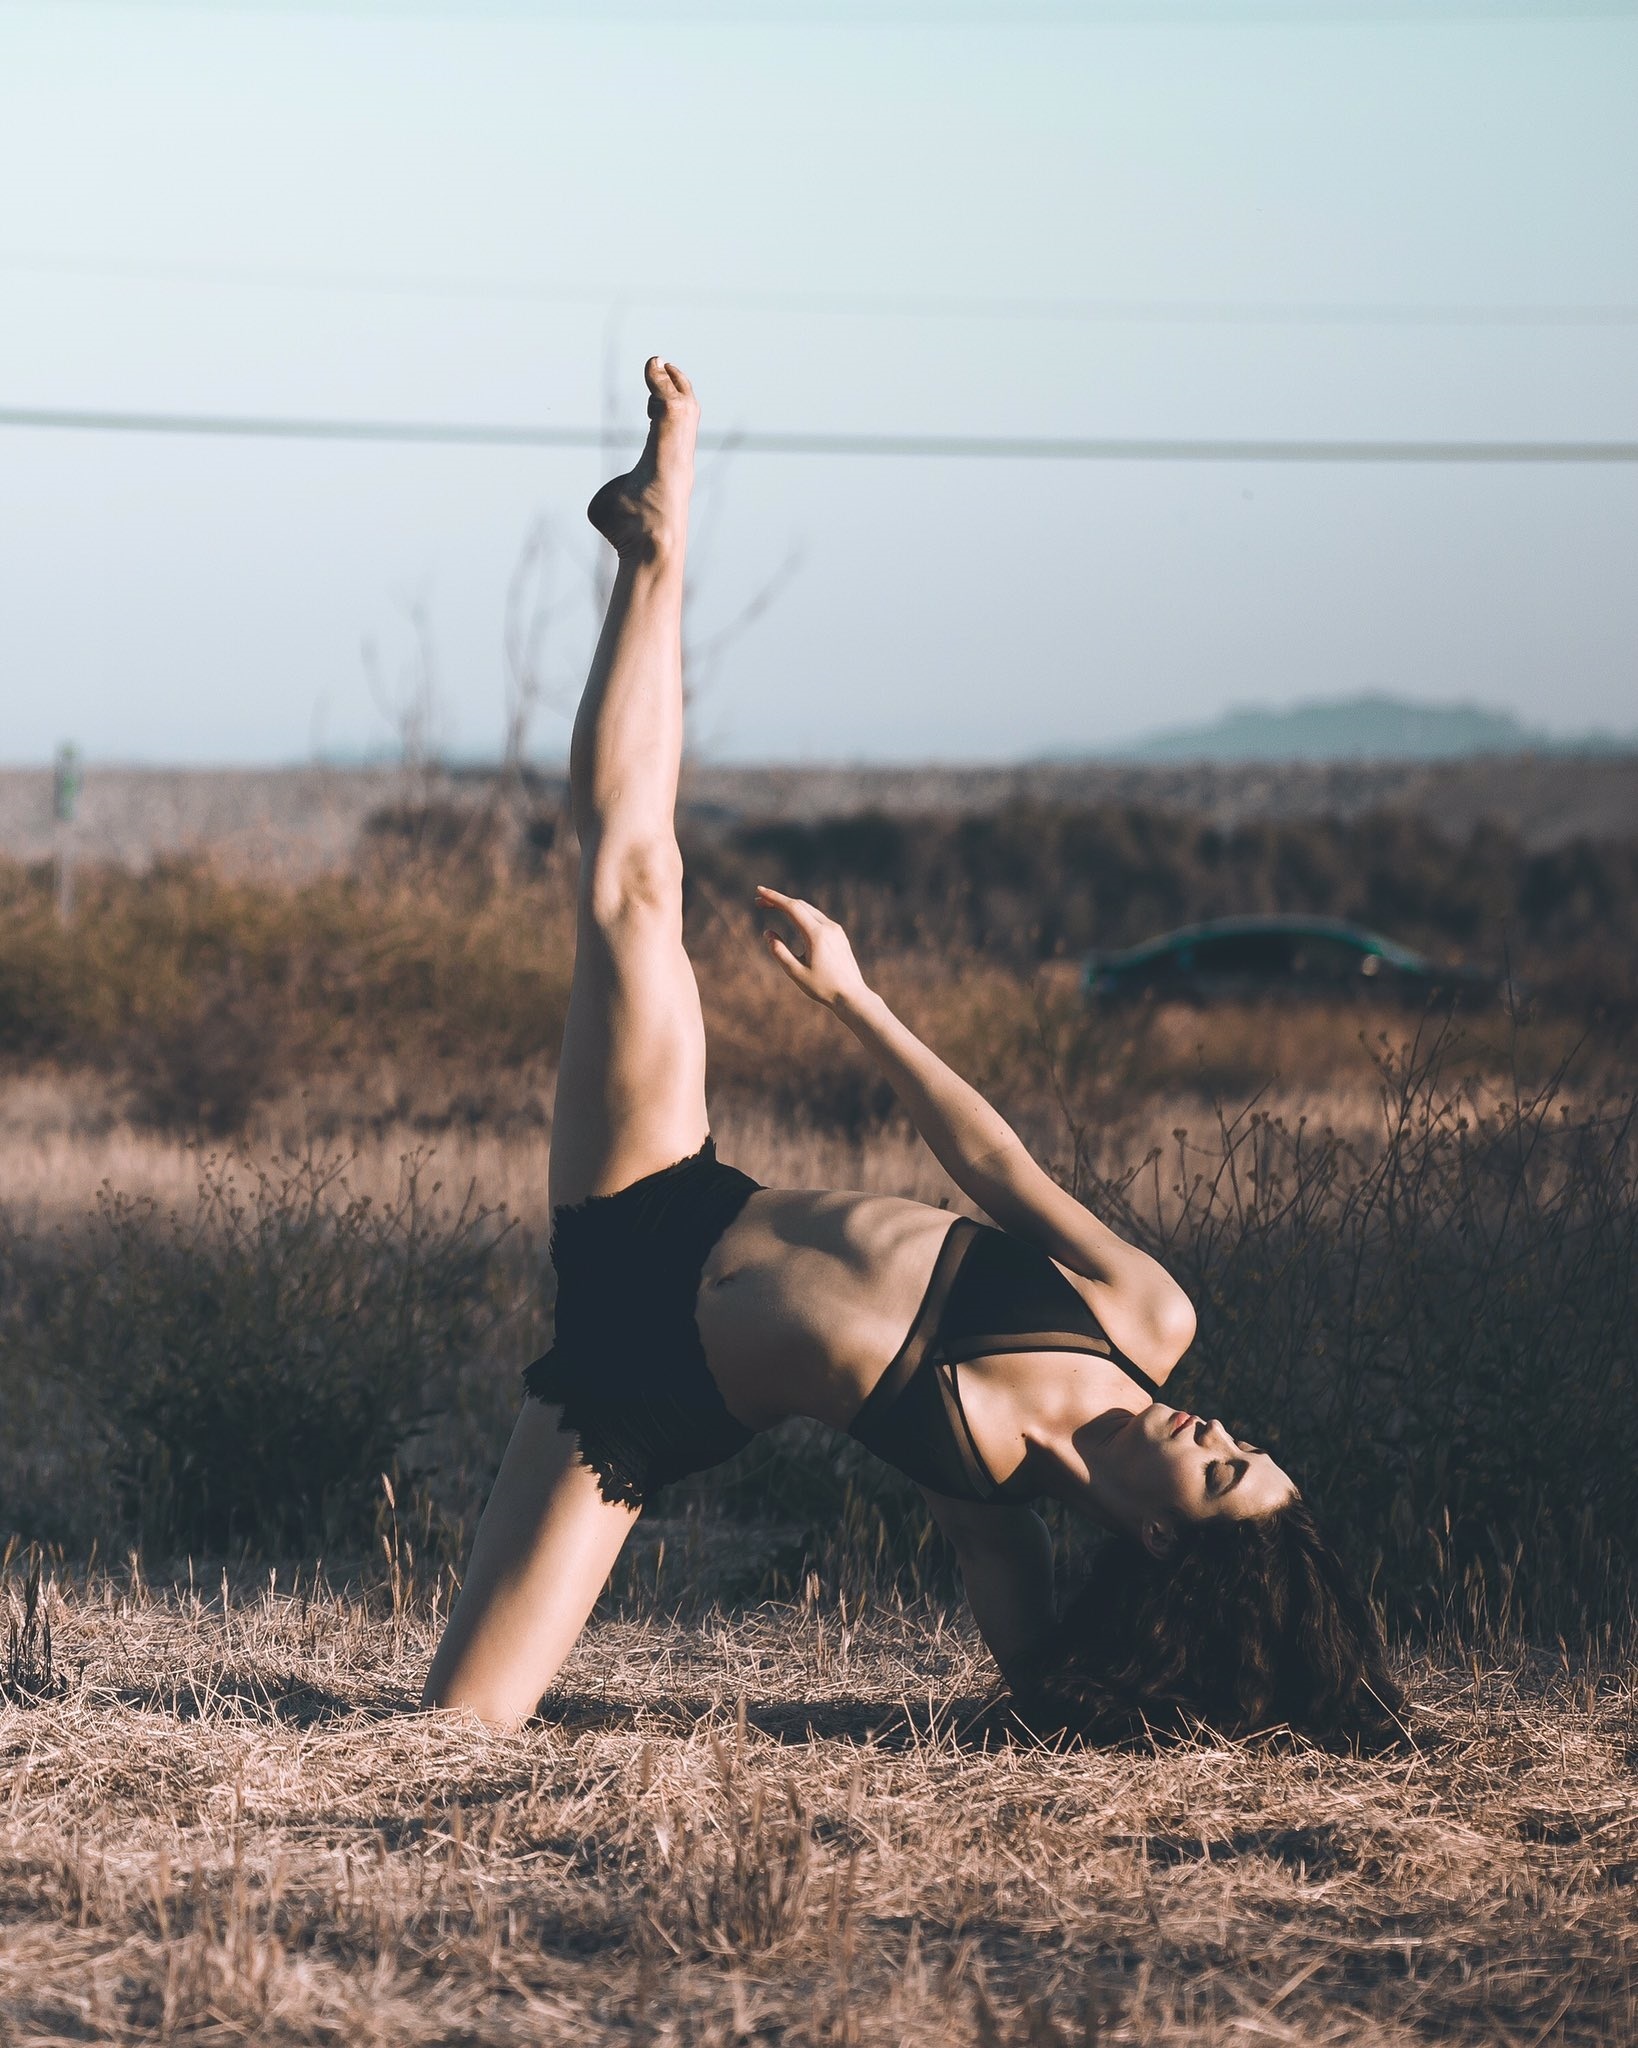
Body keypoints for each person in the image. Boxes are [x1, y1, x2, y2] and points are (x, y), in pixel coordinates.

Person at [422, 359, 1399, 1745]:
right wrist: (854, 1000)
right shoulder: (1144, 1320)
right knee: (630, 888)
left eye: (1226, 1475)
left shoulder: (995, 1500)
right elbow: (991, 1161)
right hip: (668, 1195)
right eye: (1246, 1449)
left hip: (630, 1400)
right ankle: (657, 538)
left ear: (1180, 1551)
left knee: (455, 1732)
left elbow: (1047, 1699)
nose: (1218, 1434)